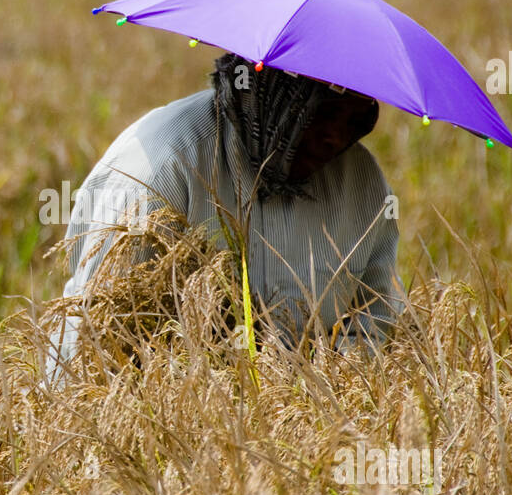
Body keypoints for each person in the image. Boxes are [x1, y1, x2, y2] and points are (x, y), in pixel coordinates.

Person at [46, 51, 405, 383]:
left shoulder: (364, 184)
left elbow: (372, 320)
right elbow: (103, 339)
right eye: (322, 112)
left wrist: (328, 396)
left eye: (356, 121)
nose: (335, 137)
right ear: (274, 91)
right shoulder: (164, 167)